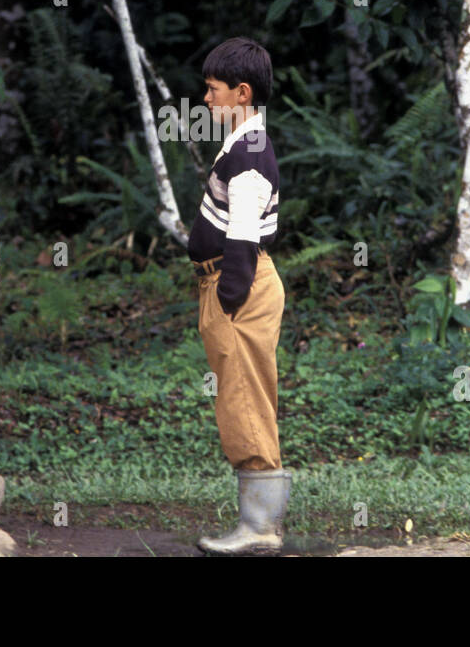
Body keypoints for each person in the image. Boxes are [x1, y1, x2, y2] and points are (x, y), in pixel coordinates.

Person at [188, 37, 290, 555]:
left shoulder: (248, 154)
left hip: (238, 287)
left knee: (243, 402)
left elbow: (244, 236)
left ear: (241, 92)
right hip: (235, 285)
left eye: (213, 90)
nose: (206, 99)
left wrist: (228, 300)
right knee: (244, 398)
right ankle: (259, 525)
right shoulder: (243, 145)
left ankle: (259, 530)